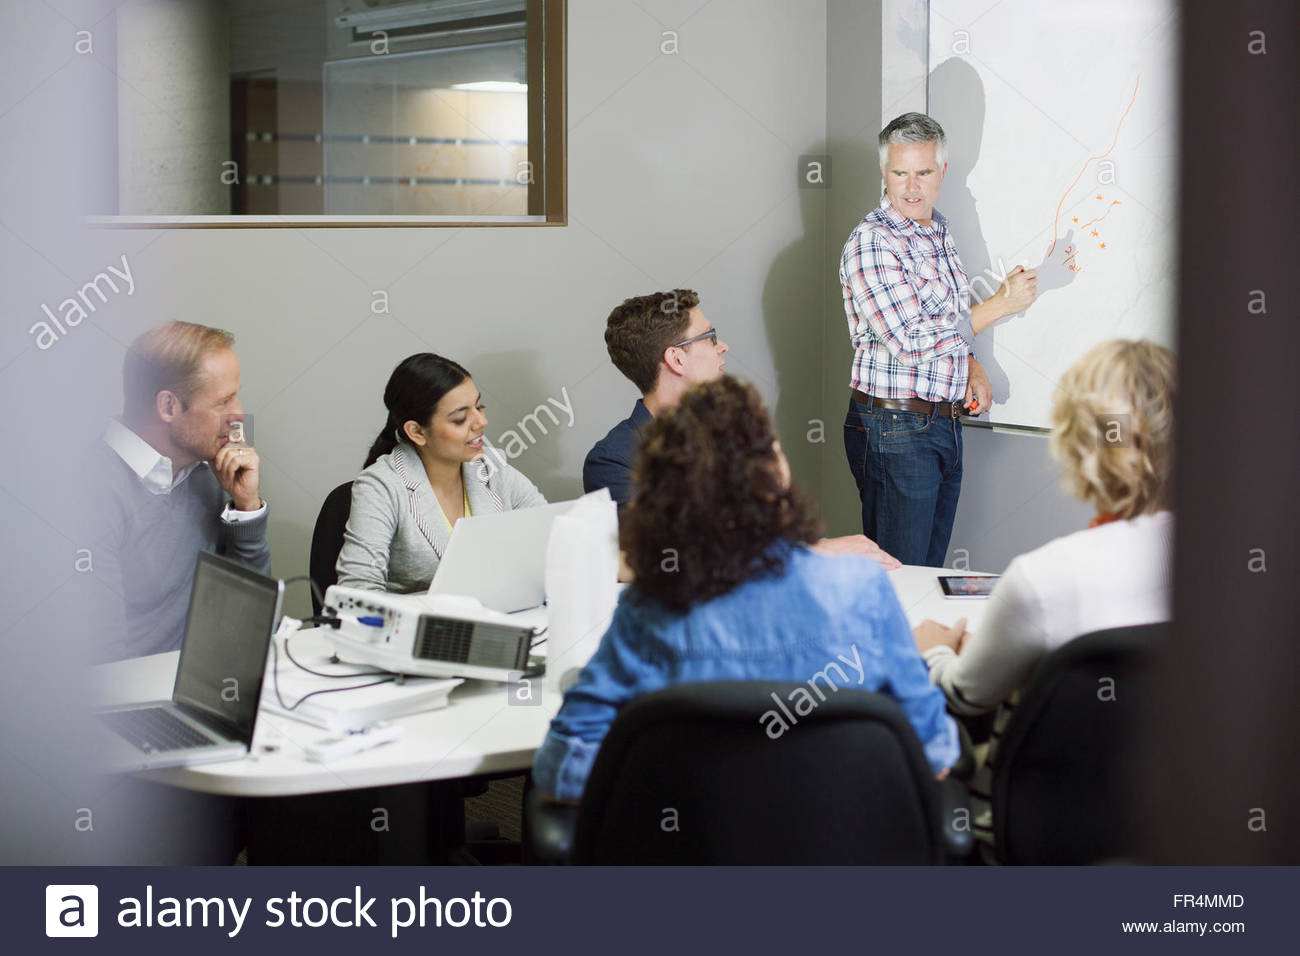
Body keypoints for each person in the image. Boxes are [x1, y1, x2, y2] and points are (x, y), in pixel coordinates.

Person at [533, 377, 959, 802]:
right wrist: (927, 658)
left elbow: (564, 771)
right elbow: (935, 753)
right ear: (777, 471)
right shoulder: (861, 590)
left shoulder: (648, 611)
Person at [913, 339, 1176, 853]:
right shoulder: (1230, 577)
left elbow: (966, 696)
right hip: (1165, 835)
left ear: (1078, 444)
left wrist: (934, 651)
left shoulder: (1044, 578)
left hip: (1030, 839)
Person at [841, 112, 1038, 566]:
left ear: (942, 172)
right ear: (884, 173)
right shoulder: (872, 241)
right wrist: (1001, 304)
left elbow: (944, 319)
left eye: (924, 173)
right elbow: (909, 341)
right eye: (900, 173)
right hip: (894, 429)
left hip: (943, 426)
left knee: (926, 575)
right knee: (902, 577)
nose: (912, 186)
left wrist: (972, 367)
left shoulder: (938, 232)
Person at [586, 288, 898, 567]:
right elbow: (672, 559)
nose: (722, 346)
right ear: (677, 359)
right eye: (709, 336)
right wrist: (816, 553)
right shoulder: (614, 460)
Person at [86, 321, 270, 661]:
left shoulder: (204, 475)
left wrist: (246, 508)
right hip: (125, 703)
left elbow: (249, 624)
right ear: (169, 406)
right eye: (224, 401)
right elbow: (101, 663)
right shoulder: (90, 492)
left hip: (195, 688)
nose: (239, 415)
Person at [336, 353, 546, 592]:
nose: (481, 421)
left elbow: (552, 538)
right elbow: (358, 593)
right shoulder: (381, 486)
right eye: (460, 419)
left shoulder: (492, 467)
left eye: (479, 407)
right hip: (419, 626)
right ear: (417, 432)